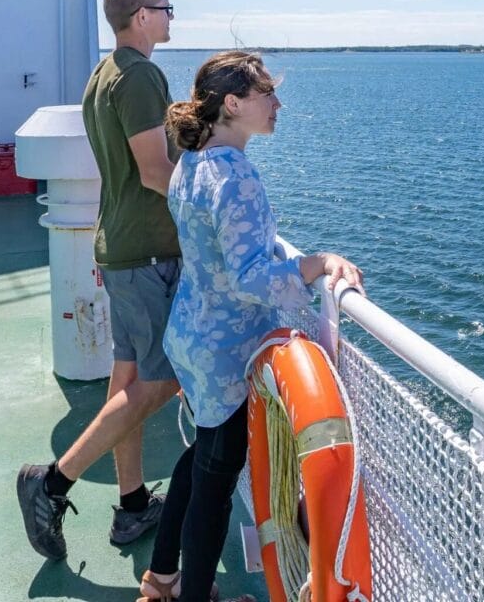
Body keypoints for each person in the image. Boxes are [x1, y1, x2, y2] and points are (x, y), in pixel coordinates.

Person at [136, 51, 363, 602]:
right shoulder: (235, 176)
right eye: (268, 94)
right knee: (213, 484)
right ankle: (185, 595)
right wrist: (317, 262)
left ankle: (160, 577)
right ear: (233, 104)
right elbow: (251, 278)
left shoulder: (192, 162)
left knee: (200, 459)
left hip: (193, 332)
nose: (278, 104)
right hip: (225, 352)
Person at [17, 0, 185, 559]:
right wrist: (210, 209)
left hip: (120, 245)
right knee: (162, 382)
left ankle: (133, 506)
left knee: (127, 382)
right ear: (141, 17)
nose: (170, 17)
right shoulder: (140, 76)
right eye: (166, 8)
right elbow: (154, 170)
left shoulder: (104, 74)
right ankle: (53, 483)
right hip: (145, 253)